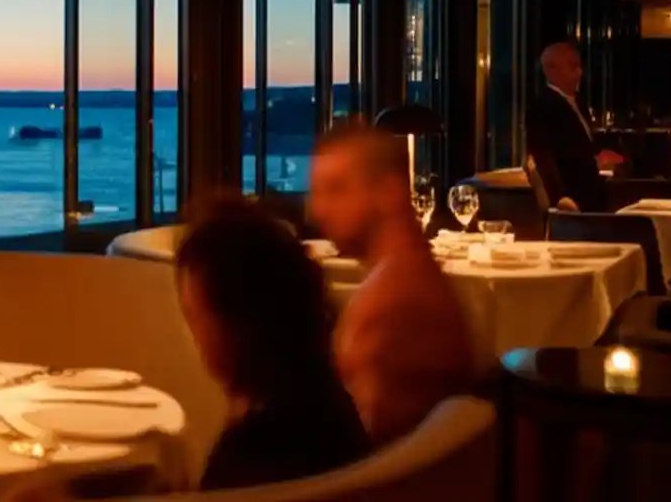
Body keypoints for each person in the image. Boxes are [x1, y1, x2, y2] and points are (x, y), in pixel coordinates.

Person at [176, 196, 369, 491]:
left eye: (194, 315)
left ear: (239, 323)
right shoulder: (329, 407)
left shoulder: (251, 458)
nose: (191, 334)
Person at [308, 124, 476, 445]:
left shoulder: (393, 308)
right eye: (317, 192)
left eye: (337, 189)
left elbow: (371, 447)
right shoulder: (410, 275)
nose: (319, 210)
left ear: (390, 192)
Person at [526, 41, 624, 211]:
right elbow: (551, 160)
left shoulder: (579, 102)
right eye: (572, 66)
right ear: (551, 69)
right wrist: (596, 161)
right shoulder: (543, 108)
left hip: (595, 189)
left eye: (579, 66)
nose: (579, 72)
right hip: (573, 199)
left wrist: (602, 156)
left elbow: (586, 143)